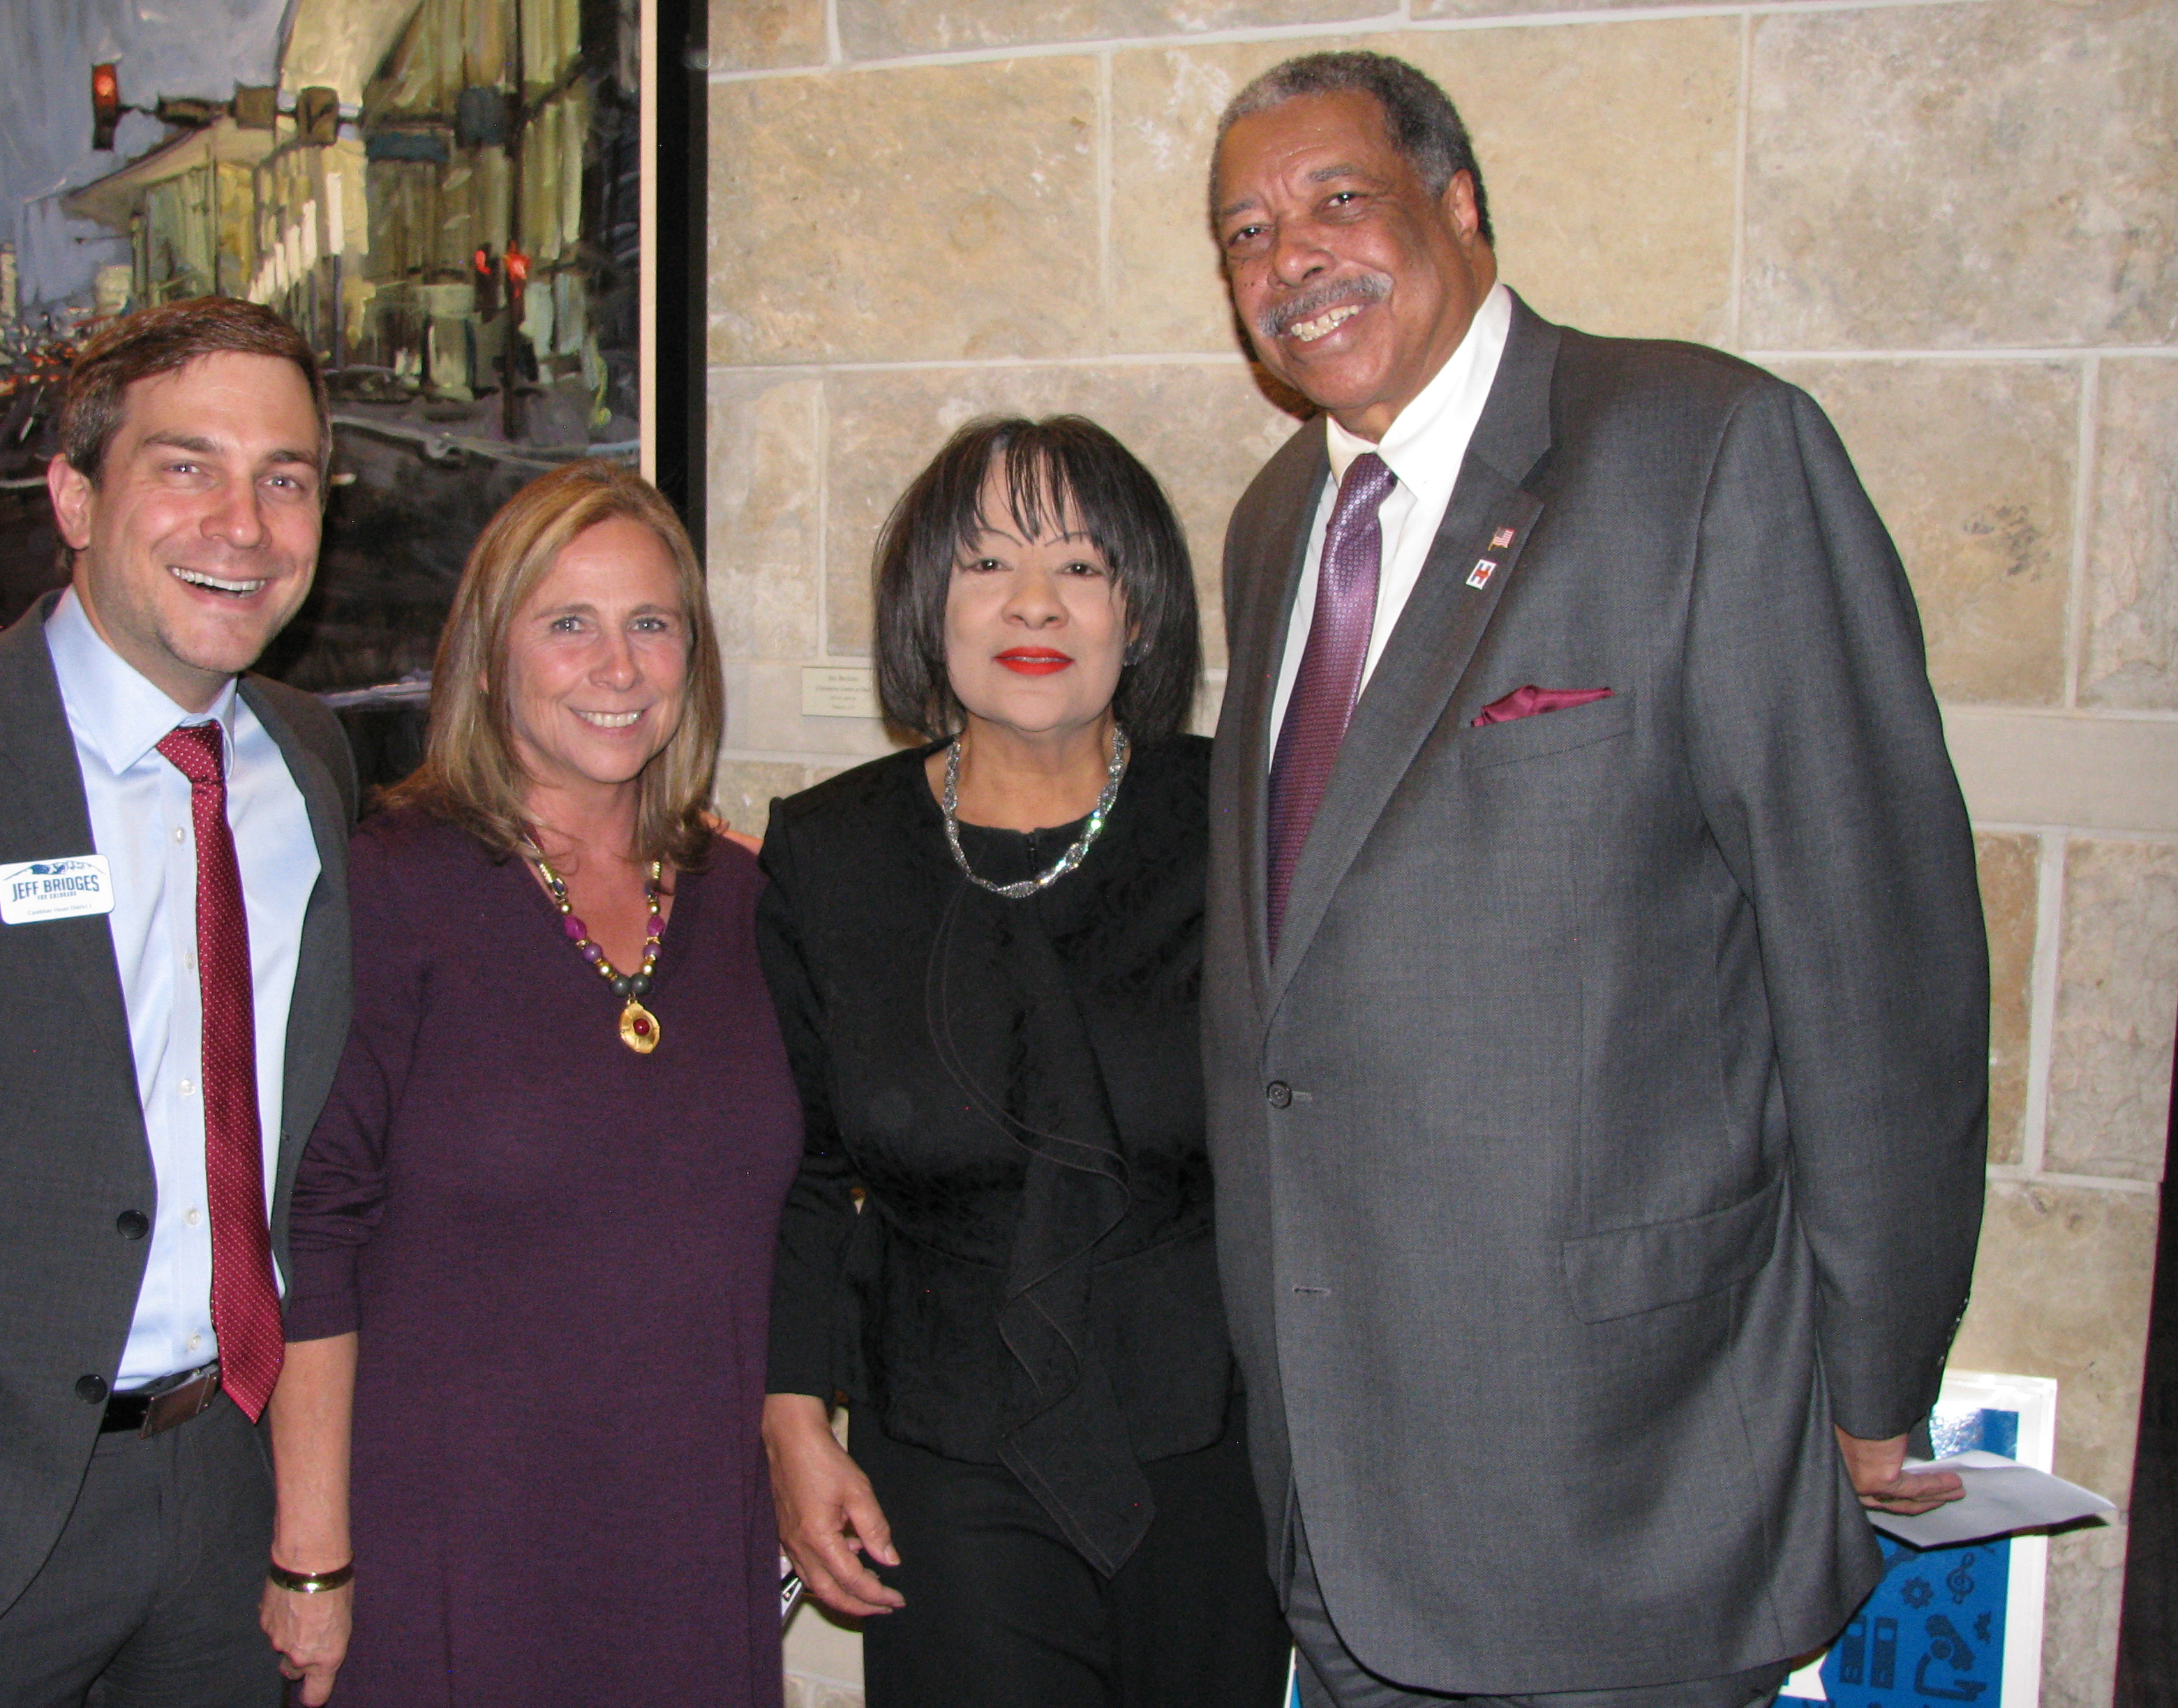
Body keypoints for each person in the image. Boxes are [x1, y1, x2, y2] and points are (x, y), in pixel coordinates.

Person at [1200, 51, 1990, 1708]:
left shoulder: (1706, 452)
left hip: (1618, 1469)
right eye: (1247, 233)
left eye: (1339, 199)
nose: (1291, 260)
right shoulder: (1279, 524)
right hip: (1339, 1481)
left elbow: (1875, 954)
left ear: (1461, 204)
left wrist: (1878, 1372)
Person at [758, 416, 1288, 1708]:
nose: (1036, 602)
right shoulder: (830, 854)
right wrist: (789, 1421)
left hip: (1211, 1438)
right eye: (986, 564)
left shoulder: (1248, 822)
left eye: (1086, 565)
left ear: (1143, 613)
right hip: (941, 1452)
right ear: (926, 609)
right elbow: (809, 1173)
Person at [258, 460, 802, 1706]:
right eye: (569, 624)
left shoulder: (745, 901)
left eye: (650, 624)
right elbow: (312, 1227)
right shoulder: (392, 889)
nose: (618, 667)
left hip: (689, 1545)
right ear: (489, 656)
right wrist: (312, 1555)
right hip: (449, 1549)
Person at [0, 297, 354, 1702]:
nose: (244, 523)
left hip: (227, 1499)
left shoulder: (314, 764)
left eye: (285, 478)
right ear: (73, 497)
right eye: (186, 467)